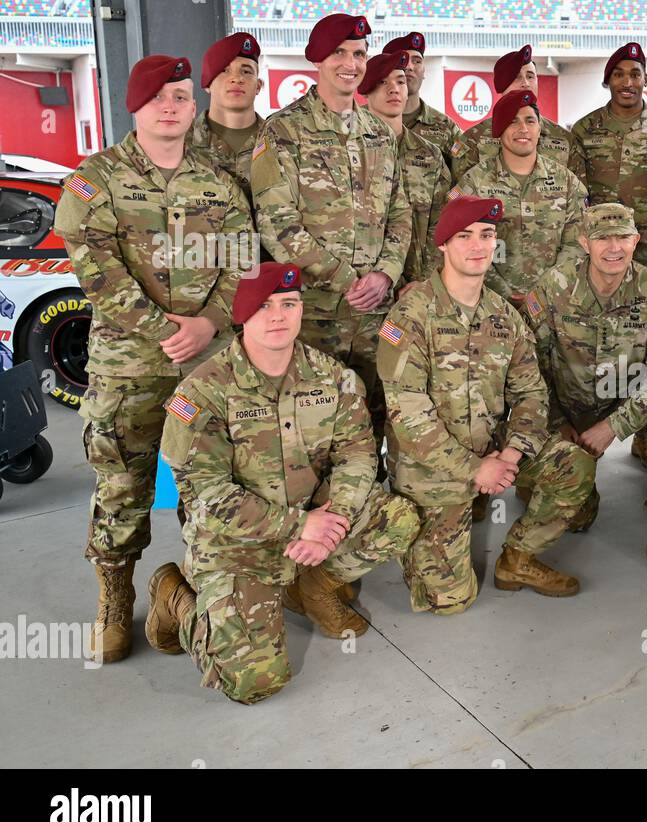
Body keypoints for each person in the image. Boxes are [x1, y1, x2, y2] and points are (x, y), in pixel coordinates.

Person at [52, 54, 252, 664]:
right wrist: (166, 329)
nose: (172, 106)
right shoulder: (96, 179)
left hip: (207, 366)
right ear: (133, 106)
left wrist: (209, 324)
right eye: (159, 96)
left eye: (182, 96)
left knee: (210, 484)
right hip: (129, 365)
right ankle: (115, 600)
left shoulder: (219, 181)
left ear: (195, 107)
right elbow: (96, 270)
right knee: (121, 485)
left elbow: (242, 260)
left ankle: (190, 591)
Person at [147, 262, 419, 704]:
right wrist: (298, 526)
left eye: (289, 304)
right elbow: (207, 495)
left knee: (397, 519)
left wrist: (336, 518)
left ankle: (306, 588)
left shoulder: (334, 377)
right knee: (255, 683)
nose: (278, 316)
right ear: (242, 316)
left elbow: (357, 453)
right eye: (264, 306)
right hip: (239, 542)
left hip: (315, 520)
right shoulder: (201, 392)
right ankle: (176, 596)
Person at [378, 196, 596, 612]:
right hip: (433, 470)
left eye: (487, 235)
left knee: (574, 465)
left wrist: (512, 455)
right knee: (451, 602)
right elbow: (407, 414)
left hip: (494, 450)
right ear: (443, 244)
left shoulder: (504, 315)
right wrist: (476, 470)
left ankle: (518, 557)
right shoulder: (409, 316)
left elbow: (532, 392)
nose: (479, 246)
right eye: (465, 236)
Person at [252, 13, 412, 444]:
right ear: (317, 61)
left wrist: (386, 275)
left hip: (376, 311)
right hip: (315, 314)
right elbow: (277, 224)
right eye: (339, 53)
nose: (351, 63)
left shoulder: (379, 133)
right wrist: (349, 281)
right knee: (313, 428)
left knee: (378, 419)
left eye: (359, 53)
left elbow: (401, 212)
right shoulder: (284, 130)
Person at [522, 204, 647, 582]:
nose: (614, 247)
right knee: (577, 517)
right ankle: (563, 483)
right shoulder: (553, 288)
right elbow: (527, 366)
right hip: (569, 406)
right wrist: (556, 422)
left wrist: (615, 427)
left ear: (636, 241)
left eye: (623, 237)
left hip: (630, 402)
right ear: (584, 242)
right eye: (603, 238)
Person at [449, 89, 587, 308]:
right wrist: (503, 292)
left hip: (555, 303)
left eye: (530, 121)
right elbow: (459, 241)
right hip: (487, 302)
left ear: (539, 128)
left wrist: (546, 289)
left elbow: (576, 242)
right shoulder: (474, 182)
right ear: (499, 130)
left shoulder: (567, 183)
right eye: (513, 122)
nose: (523, 129)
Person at [571, 42, 647, 265]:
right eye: (618, 75)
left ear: (646, 80)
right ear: (608, 81)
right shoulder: (584, 129)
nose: (627, 83)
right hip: (600, 246)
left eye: (635, 74)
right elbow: (575, 194)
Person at [359, 50, 453, 286]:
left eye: (400, 81)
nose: (394, 89)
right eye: (383, 82)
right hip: (364, 286)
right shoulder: (350, 148)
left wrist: (425, 280)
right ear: (366, 90)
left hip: (417, 286)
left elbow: (441, 223)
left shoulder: (430, 154)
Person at [450, 44, 581, 180]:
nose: (526, 83)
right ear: (501, 85)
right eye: (517, 77)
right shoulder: (472, 139)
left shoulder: (565, 139)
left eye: (530, 77)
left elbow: (579, 194)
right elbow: (459, 195)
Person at [189, 32, 264, 203]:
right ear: (207, 83)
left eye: (246, 71)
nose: (237, 78)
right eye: (224, 70)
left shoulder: (281, 141)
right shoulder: (180, 143)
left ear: (258, 85)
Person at [383, 31, 461, 170]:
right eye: (403, 60)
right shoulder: (362, 120)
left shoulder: (447, 128)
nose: (409, 67)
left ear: (424, 71)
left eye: (417, 61)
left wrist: (452, 194)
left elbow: (463, 180)